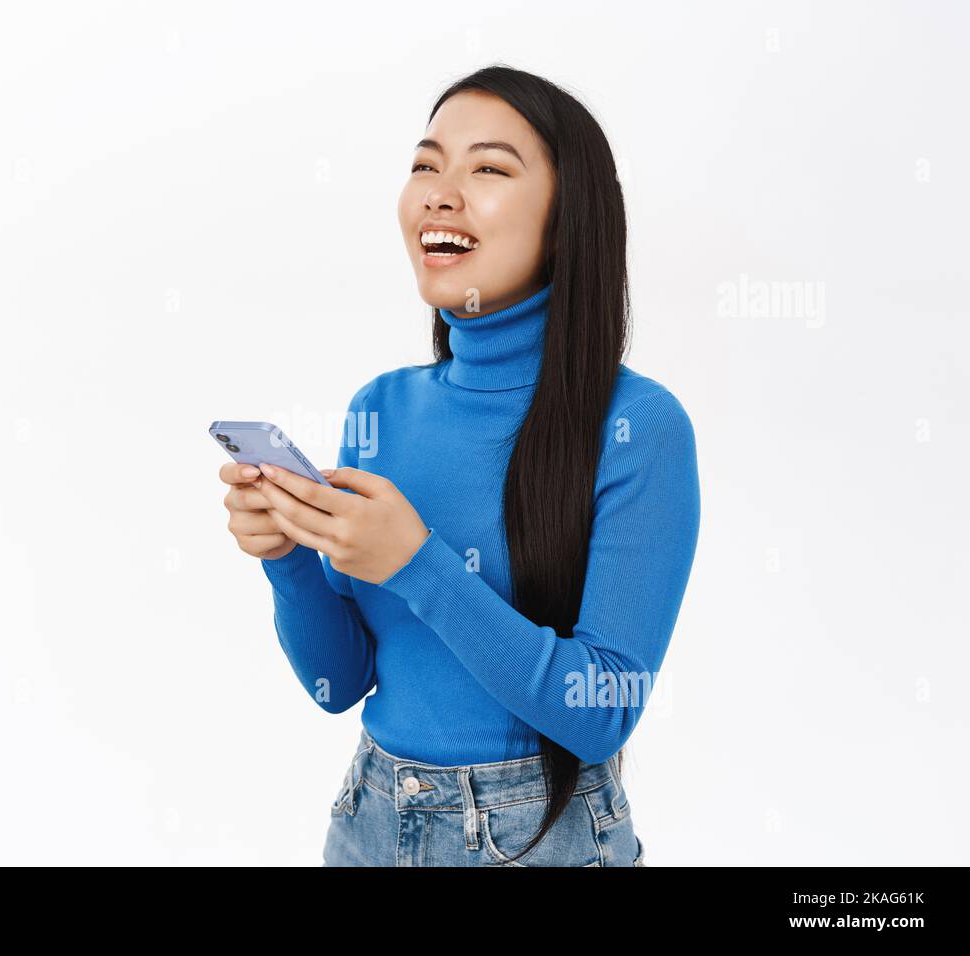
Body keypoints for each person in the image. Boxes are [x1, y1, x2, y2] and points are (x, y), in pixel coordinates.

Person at [218, 65, 700, 866]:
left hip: (539, 837)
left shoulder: (639, 426)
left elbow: (600, 710)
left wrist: (417, 564)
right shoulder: (381, 409)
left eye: (487, 168)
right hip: (369, 818)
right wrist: (290, 560)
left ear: (566, 217)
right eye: (424, 164)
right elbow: (338, 684)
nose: (440, 192)